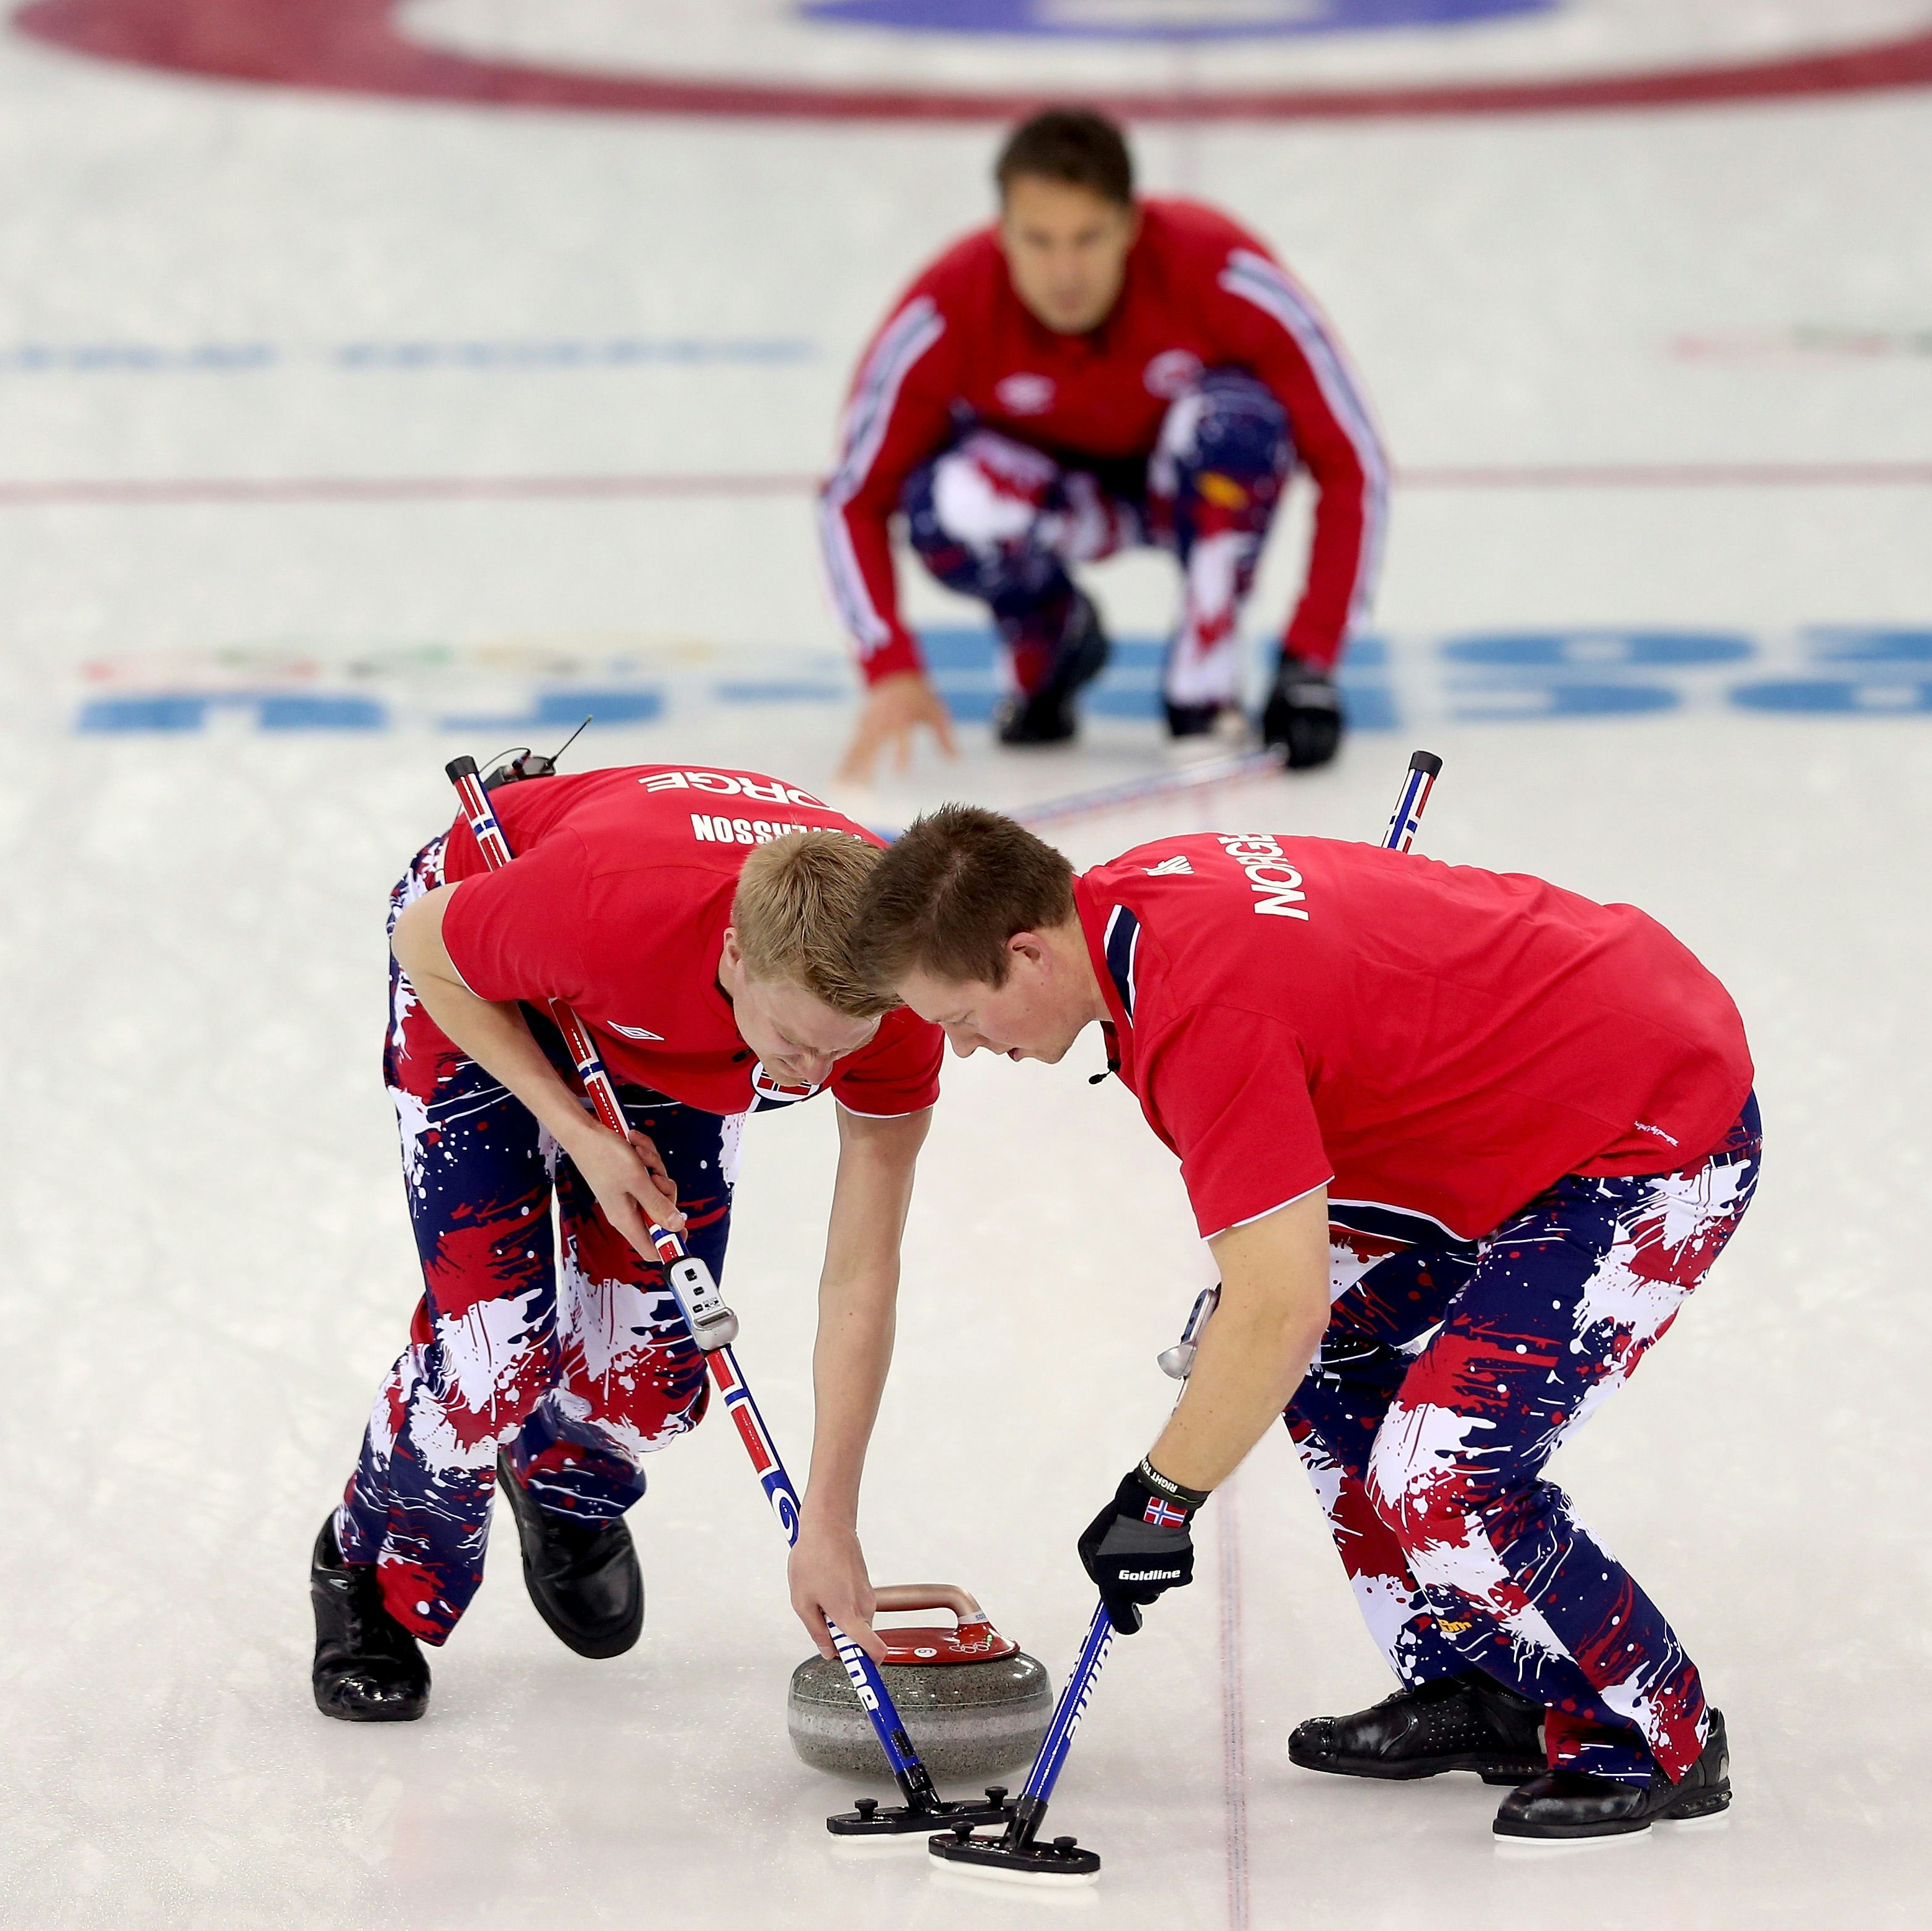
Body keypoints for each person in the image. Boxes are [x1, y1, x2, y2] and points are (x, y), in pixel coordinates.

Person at [848, 808, 1761, 1840]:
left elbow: (1277, 1307)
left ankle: (1649, 1732)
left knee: (1441, 1475)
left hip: (1641, 1130)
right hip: (1513, 1104)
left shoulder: (1200, 1014)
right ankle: (1488, 1678)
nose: (966, 1050)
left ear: (1026, 951)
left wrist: (1160, 1500)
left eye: (963, 1016)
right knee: (1325, 1361)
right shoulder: (1127, 906)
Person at [311, 761, 940, 1722]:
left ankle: (561, 1478)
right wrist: (578, 1132)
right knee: (491, 1360)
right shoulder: (603, 907)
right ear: (735, 953)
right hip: (484, 967)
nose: (813, 1073)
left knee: (651, 1380)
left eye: (840, 1047)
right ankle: (368, 1563)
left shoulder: (894, 994)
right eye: (794, 1041)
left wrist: (831, 1518)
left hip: (671, 1021)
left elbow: (863, 1270)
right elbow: (424, 940)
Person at [822, 106, 1387, 782]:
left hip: (1185, 490)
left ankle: (1204, 689)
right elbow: (851, 497)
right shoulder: (946, 309)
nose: (1065, 272)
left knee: (1238, 425)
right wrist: (889, 669)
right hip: (1047, 500)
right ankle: (1052, 639)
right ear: (1001, 233)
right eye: (1038, 240)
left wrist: (1310, 661)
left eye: (1088, 238)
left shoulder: (1220, 269)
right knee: (949, 503)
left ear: (1131, 225)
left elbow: (1353, 460)